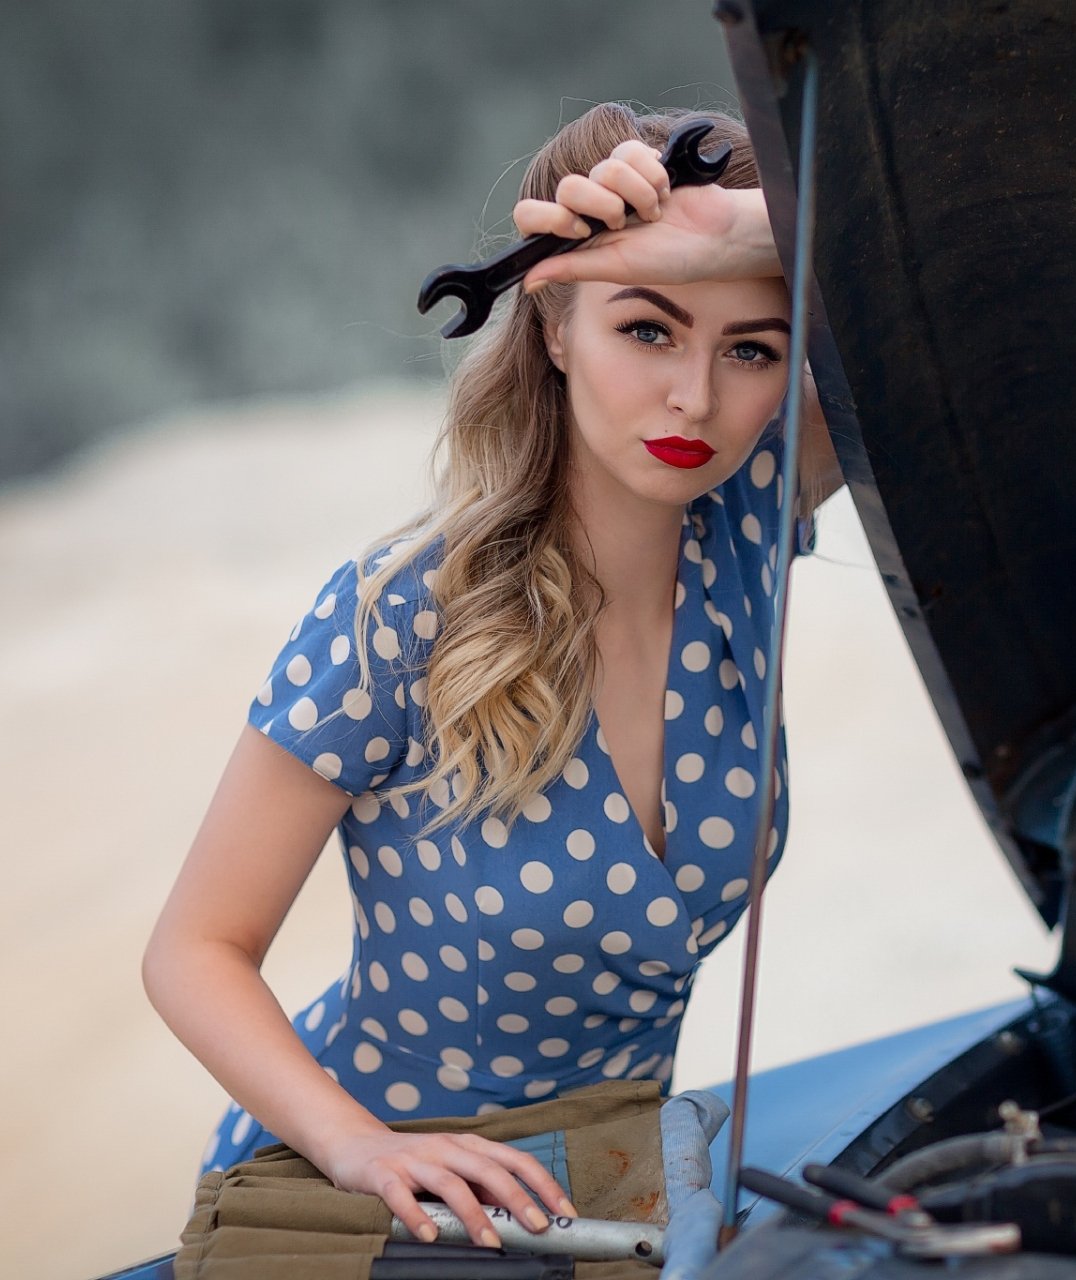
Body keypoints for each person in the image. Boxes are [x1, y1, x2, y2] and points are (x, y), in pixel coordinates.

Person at [141, 102, 845, 1249]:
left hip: (610, 1196)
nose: (695, 398)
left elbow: (974, 306)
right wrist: (357, 1143)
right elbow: (193, 950)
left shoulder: (748, 542)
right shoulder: (400, 614)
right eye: (648, 329)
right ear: (555, 327)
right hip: (382, 1198)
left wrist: (733, 234)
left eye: (751, 347)